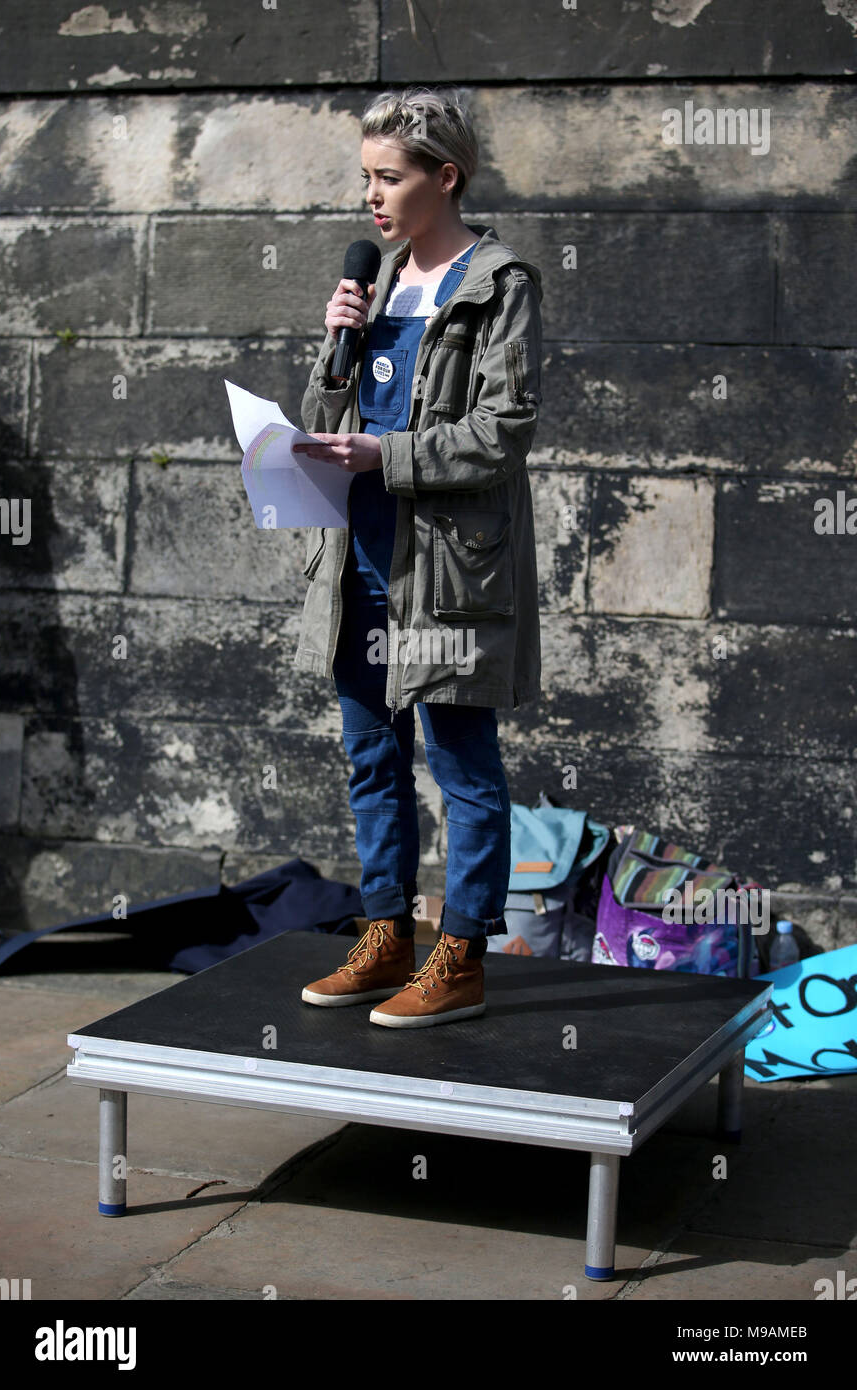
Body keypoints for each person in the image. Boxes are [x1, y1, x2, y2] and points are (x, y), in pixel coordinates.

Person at [292, 84, 544, 1028]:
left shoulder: (499, 285)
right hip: (357, 559)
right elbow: (327, 424)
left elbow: (503, 432)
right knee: (370, 755)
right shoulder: (378, 282)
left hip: (445, 574)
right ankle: (386, 931)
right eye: (365, 177)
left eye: (389, 177)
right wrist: (336, 345)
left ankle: (464, 952)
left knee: (463, 762)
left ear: (447, 177)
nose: (373, 196)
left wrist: (383, 455)